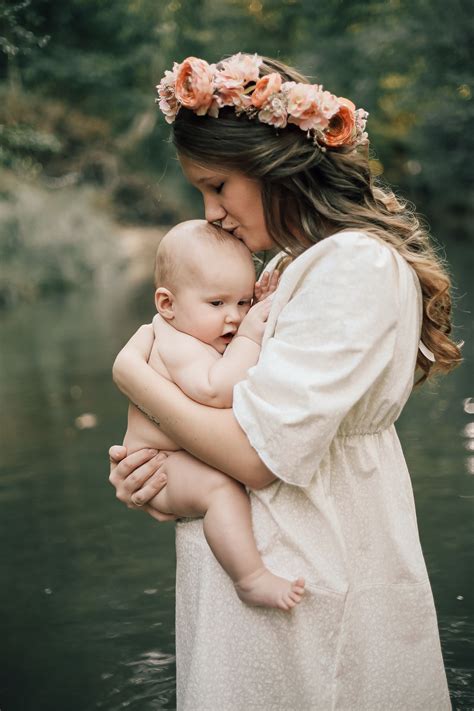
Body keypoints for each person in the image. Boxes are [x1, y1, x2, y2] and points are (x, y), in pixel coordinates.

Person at [109, 53, 461, 709]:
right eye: (202, 192)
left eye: (217, 186)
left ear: (277, 166)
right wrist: (159, 474)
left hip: (314, 557)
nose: (210, 212)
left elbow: (255, 456)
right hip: (263, 550)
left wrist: (131, 374)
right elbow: (236, 428)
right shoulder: (288, 268)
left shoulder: (351, 265)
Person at [120, 218, 305, 609]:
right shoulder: (174, 342)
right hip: (161, 467)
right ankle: (250, 578)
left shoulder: (195, 329)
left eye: (243, 302)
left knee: (223, 485)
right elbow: (215, 390)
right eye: (217, 303)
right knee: (222, 491)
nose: (234, 317)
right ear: (167, 304)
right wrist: (252, 334)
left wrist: (258, 305)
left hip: (181, 456)